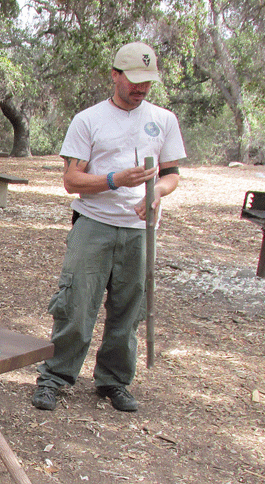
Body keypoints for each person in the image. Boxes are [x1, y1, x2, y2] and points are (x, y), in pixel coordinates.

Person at [31, 42, 186, 414]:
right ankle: (55, 376)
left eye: (147, 82)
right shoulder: (88, 120)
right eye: (134, 81)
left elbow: (172, 175)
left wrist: (157, 195)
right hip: (95, 224)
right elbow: (72, 180)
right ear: (115, 75)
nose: (141, 89)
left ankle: (114, 381)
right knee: (76, 304)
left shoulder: (163, 119)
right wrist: (116, 179)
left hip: (140, 230)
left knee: (129, 308)